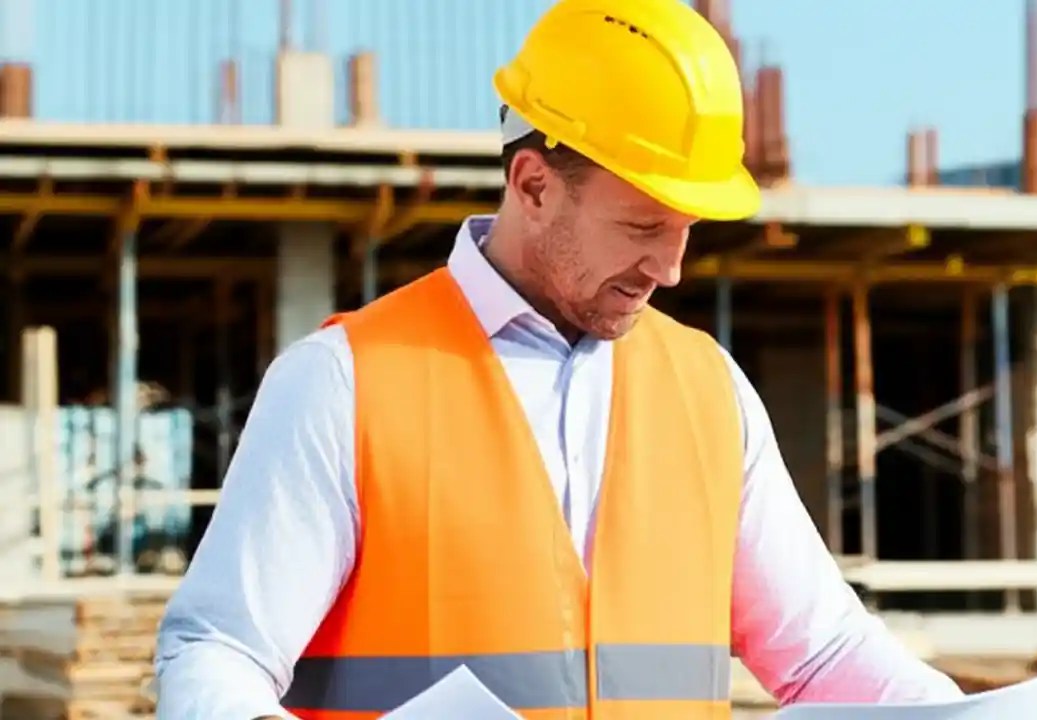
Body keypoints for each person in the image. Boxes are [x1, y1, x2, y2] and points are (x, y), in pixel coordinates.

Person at [154, 0, 963, 717]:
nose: (671, 268)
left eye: (687, 231)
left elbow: (823, 654)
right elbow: (217, 654)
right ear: (534, 184)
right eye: (644, 227)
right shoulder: (343, 382)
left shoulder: (709, 391)